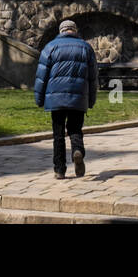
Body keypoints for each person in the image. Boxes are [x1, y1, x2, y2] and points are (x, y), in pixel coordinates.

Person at [34, 19, 98, 179]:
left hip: (55, 97)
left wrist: (39, 98)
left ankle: (60, 169)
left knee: (58, 134)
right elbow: (93, 77)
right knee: (75, 129)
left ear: (61, 31)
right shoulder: (86, 48)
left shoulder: (50, 47)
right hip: (78, 97)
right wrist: (91, 99)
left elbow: (41, 76)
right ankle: (77, 151)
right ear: (74, 31)